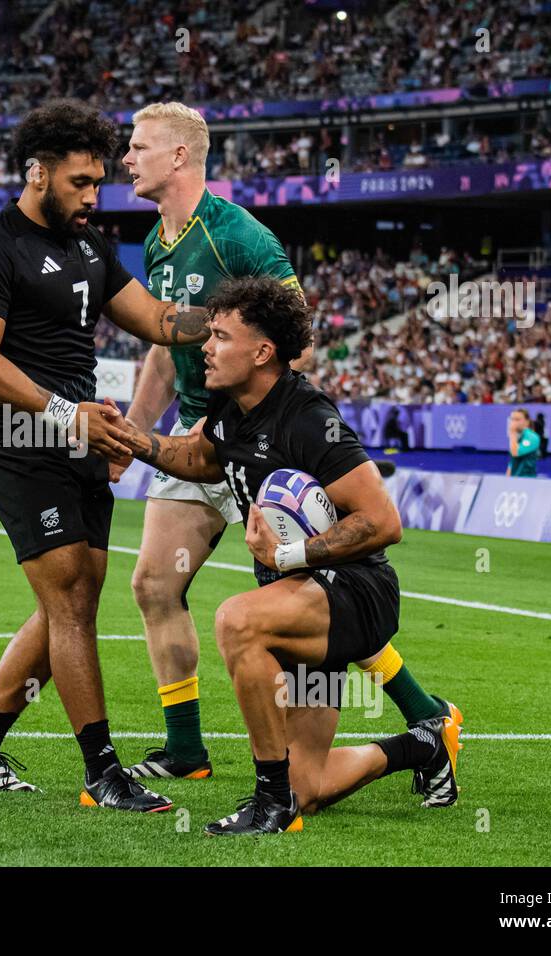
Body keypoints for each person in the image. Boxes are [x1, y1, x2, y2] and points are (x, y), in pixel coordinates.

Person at [117, 276, 462, 835]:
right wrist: (131, 439)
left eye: (221, 337)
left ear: (262, 352)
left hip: (354, 593)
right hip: (300, 596)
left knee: (237, 621)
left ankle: (270, 802)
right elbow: (200, 458)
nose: (206, 347)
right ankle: (424, 743)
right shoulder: (229, 404)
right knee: (312, 787)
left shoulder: (307, 417)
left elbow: (383, 521)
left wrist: (288, 555)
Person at [0, 100, 208, 812]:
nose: (93, 197)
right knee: (69, 604)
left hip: (84, 439)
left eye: (98, 183)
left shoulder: (90, 246)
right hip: (22, 441)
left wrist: (234, 316)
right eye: (80, 182)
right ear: (38, 172)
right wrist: (64, 415)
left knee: (73, 601)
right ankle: (102, 773)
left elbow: (157, 320)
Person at [117, 101, 301, 780]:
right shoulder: (156, 244)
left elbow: (298, 338)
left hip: (255, 446)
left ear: (179, 156)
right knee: (153, 584)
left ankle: (425, 717)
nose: (126, 159)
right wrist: (134, 434)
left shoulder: (237, 236)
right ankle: (186, 749)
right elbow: (165, 354)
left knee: (301, 608)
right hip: (193, 443)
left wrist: (230, 419)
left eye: (138, 147)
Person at [507, 408, 541, 477]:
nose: (513, 422)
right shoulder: (518, 437)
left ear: (527, 422)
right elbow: (512, 463)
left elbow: (515, 453)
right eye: (512, 419)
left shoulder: (532, 437)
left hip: (527, 480)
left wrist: (512, 433)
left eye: (517, 419)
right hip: (514, 480)